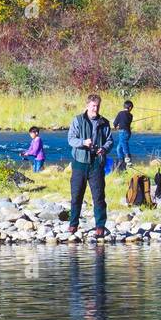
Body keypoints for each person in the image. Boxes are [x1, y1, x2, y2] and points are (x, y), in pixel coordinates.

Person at [66, 94, 112, 237]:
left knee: (98, 196)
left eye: (97, 106)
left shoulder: (104, 122)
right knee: (76, 195)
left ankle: (100, 226)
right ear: (87, 106)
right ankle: (73, 224)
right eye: (93, 106)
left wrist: (104, 149)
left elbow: (110, 141)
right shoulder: (78, 120)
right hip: (79, 162)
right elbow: (71, 139)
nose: (95, 109)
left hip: (97, 163)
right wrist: (83, 143)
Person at [111, 101, 134, 170]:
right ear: (130, 108)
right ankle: (121, 160)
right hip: (127, 132)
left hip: (122, 132)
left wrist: (115, 126)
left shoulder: (120, 113)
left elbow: (115, 123)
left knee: (124, 143)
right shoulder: (131, 115)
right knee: (119, 148)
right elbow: (126, 122)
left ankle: (127, 157)